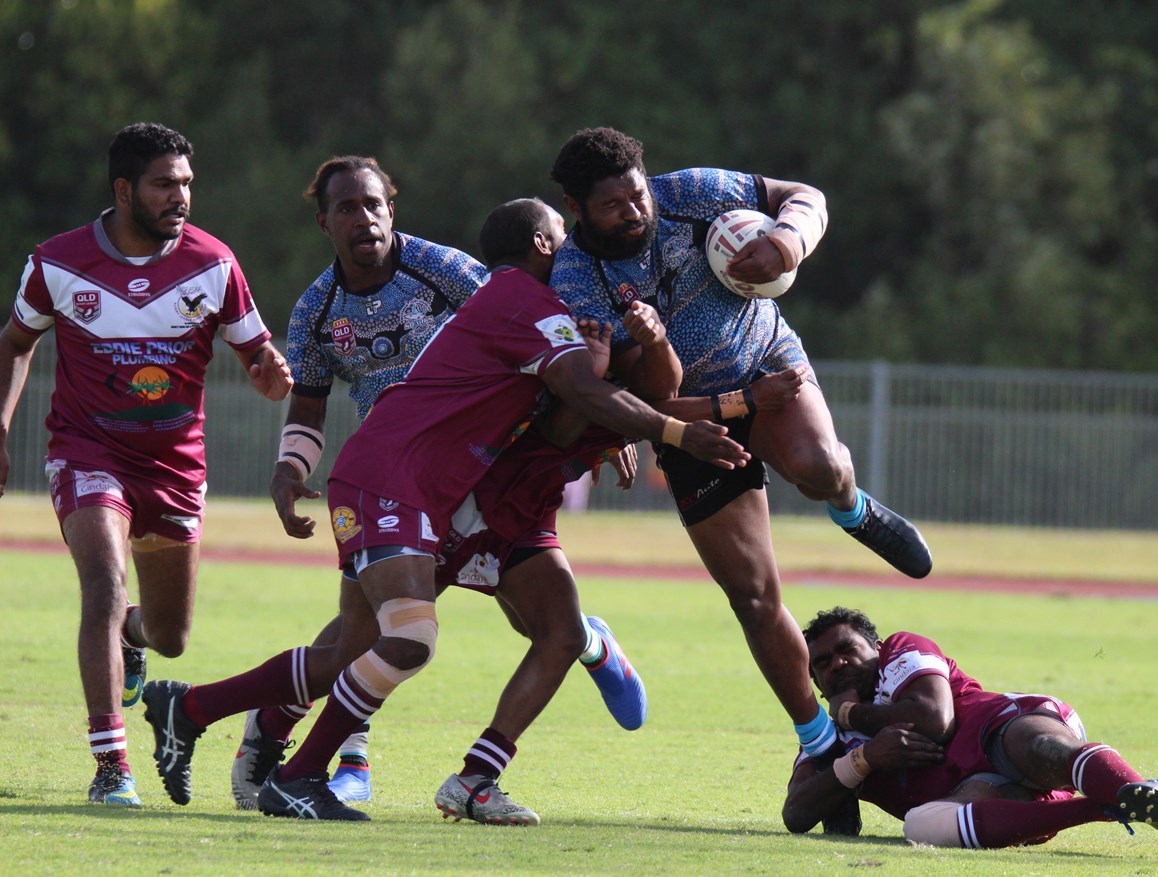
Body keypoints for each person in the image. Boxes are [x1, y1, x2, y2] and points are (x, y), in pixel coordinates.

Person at [143, 196, 745, 821]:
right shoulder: (525, 302)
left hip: (419, 486)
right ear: (543, 244)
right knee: (411, 640)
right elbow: (584, 393)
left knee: (357, 649)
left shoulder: (513, 298)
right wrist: (673, 430)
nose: (570, 249)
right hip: (395, 480)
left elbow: (595, 402)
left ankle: (191, 710)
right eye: (562, 235)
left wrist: (622, 415)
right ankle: (299, 774)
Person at [227, 157, 650, 809]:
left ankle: (573, 658)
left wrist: (598, 420)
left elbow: (532, 333)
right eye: (347, 208)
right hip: (398, 480)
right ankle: (323, 755)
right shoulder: (317, 306)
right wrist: (290, 467)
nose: (363, 217)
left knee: (441, 629)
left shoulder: (445, 269)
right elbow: (308, 404)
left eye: (373, 204)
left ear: (392, 210)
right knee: (375, 635)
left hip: (491, 467)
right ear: (325, 223)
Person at [547, 126, 931, 770]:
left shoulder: (690, 193)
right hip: (692, 420)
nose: (634, 212)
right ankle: (817, 739)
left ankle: (850, 507)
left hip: (767, 361)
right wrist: (661, 346)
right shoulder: (577, 280)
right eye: (612, 207)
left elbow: (801, 194)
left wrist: (788, 241)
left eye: (636, 195)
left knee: (821, 466)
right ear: (576, 211)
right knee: (753, 595)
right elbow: (650, 398)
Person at [0, 122, 291, 807]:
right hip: (86, 451)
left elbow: (259, 361)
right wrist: (2, 420)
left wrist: (271, 376)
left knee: (170, 636)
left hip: (175, 466)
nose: (180, 196)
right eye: (165, 184)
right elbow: (13, 342)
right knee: (102, 584)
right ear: (124, 189)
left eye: (187, 183)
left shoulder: (215, 262)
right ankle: (111, 766)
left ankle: (133, 641)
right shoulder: (57, 263)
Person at [782, 606, 1158, 848]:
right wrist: (863, 760)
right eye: (821, 664)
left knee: (1033, 746)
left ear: (875, 646)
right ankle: (1110, 806)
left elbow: (935, 720)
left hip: (1001, 727)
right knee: (922, 826)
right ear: (815, 683)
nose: (837, 664)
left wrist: (852, 715)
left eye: (846, 649)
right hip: (973, 786)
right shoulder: (829, 738)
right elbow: (796, 813)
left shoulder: (901, 650)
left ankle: (1127, 785)